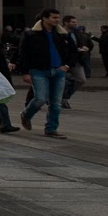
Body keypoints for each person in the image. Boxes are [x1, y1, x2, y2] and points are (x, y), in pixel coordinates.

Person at [16, 8, 77, 138]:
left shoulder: (62, 33)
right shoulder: (31, 34)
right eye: (54, 18)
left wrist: (67, 65)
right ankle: (26, 115)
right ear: (44, 18)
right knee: (40, 99)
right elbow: (23, 53)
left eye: (58, 18)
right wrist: (25, 72)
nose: (57, 20)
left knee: (56, 102)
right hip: (38, 70)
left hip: (59, 71)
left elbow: (73, 51)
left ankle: (51, 128)